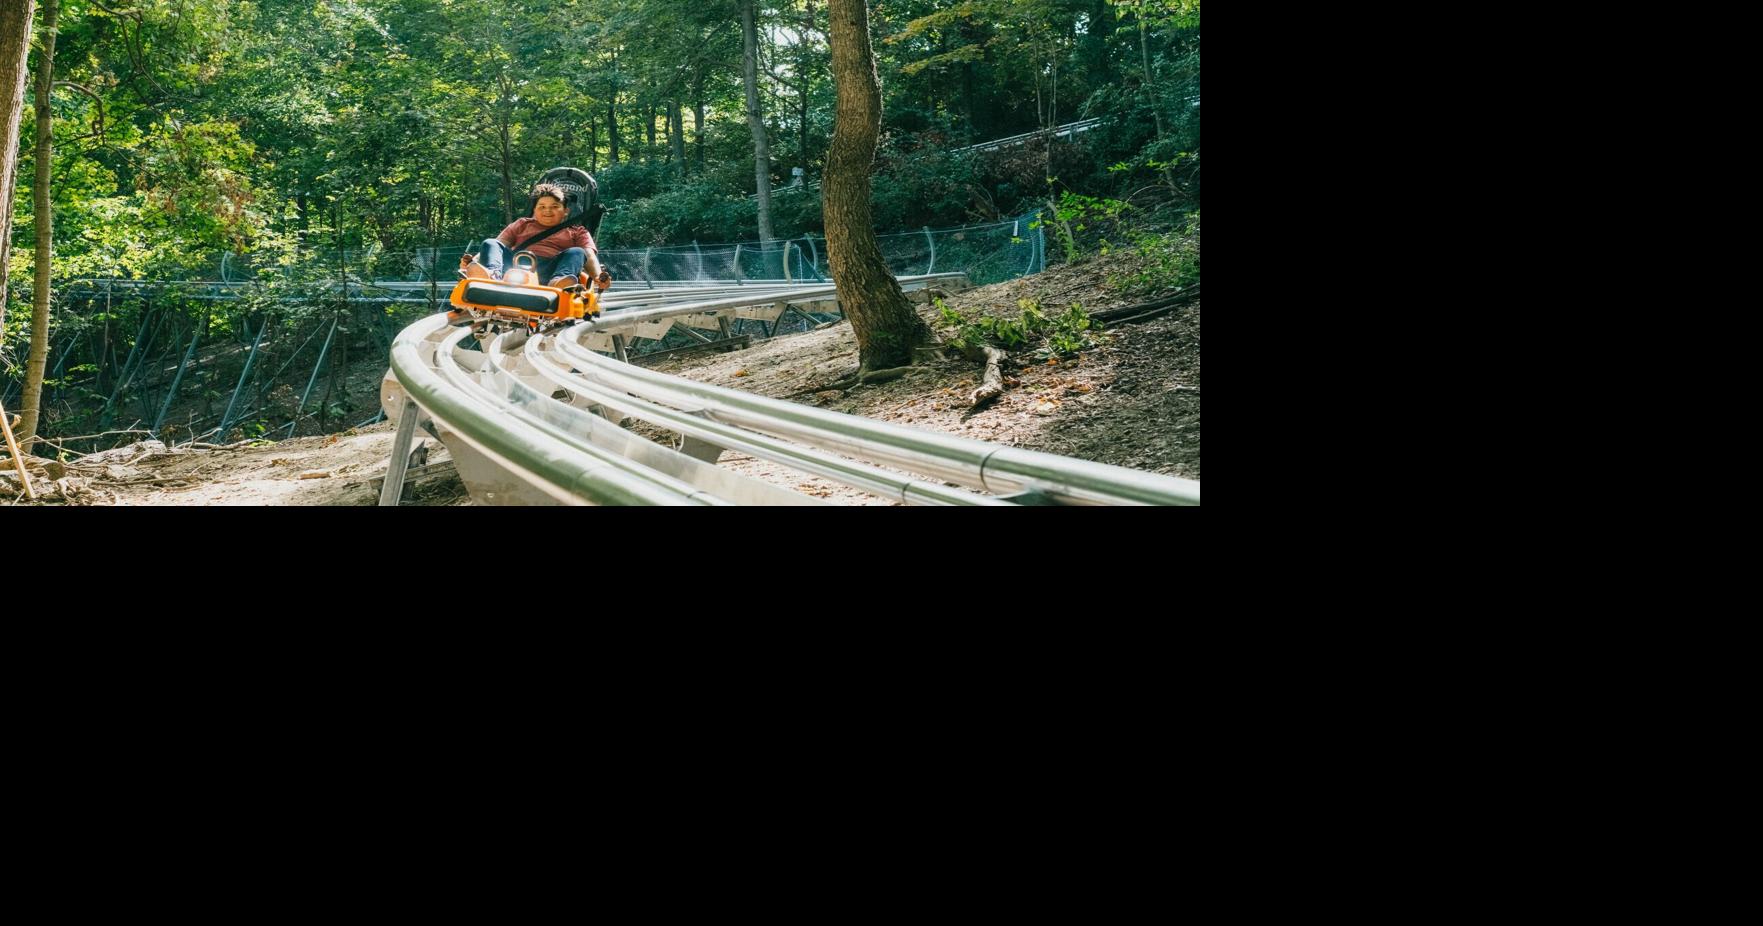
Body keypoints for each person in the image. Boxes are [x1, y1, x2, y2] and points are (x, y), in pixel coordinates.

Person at [464, 182, 611, 290]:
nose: (547, 211)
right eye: (542, 207)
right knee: (490, 242)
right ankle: (491, 275)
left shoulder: (578, 231)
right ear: (534, 209)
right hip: (515, 267)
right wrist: (472, 262)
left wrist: (598, 276)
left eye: (554, 206)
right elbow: (498, 244)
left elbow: (590, 257)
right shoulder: (522, 224)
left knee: (578, 252)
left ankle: (559, 283)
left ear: (565, 210)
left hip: (551, 271)